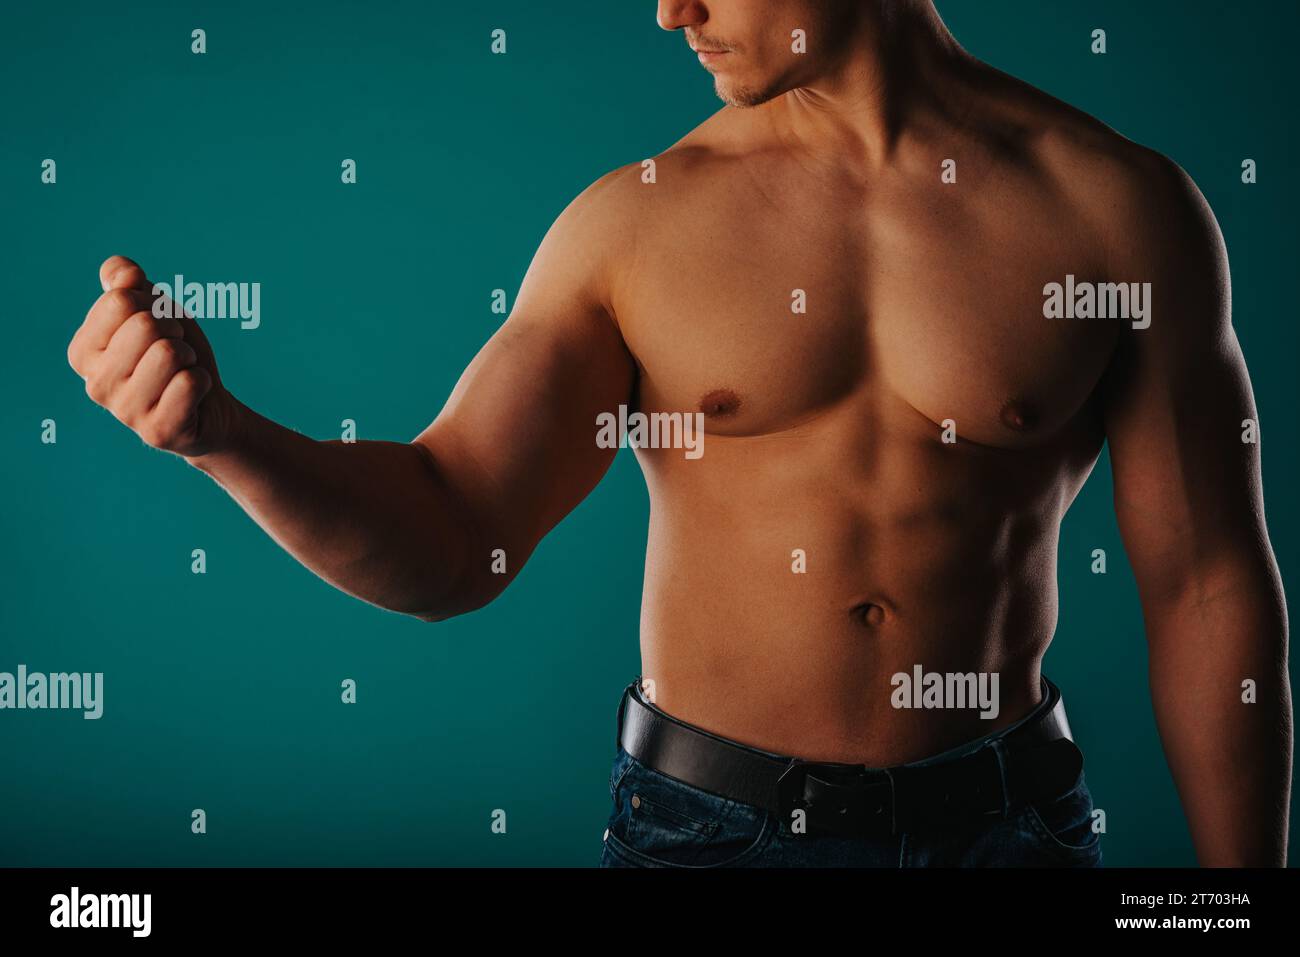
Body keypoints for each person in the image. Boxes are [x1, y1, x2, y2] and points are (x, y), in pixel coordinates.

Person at [66, 0, 1290, 866]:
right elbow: (453, 538)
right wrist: (226, 436)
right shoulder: (633, 231)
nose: (669, 11)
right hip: (710, 835)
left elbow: (1204, 585)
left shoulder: (1114, 208)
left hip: (1010, 828)